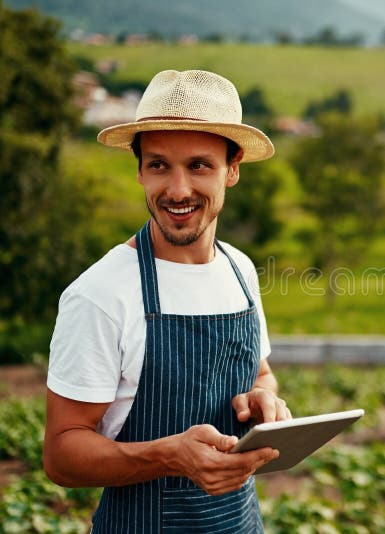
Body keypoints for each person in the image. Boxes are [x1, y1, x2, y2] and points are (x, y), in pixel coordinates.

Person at [43, 69, 291, 532]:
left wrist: (263, 401)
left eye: (199, 165)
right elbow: (62, 455)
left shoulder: (239, 270)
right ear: (139, 170)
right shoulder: (100, 294)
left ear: (232, 169)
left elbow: (262, 372)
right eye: (159, 165)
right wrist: (169, 456)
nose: (177, 190)